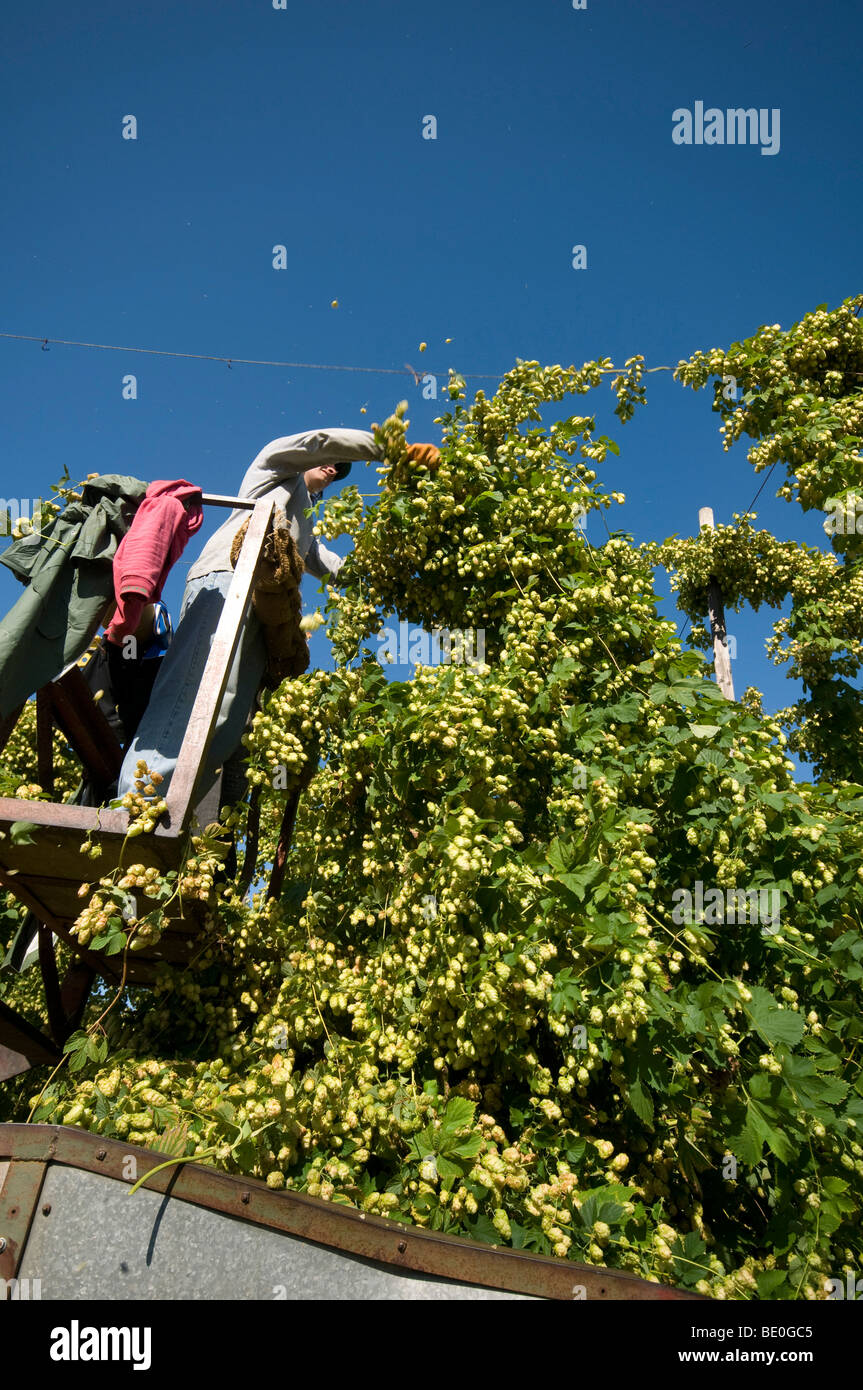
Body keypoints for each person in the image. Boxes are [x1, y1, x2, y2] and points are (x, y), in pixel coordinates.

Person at [116, 427, 439, 803]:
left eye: (342, 468)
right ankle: (136, 802)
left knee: (226, 716)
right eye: (333, 461)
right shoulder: (272, 469)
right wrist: (388, 449)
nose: (334, 468)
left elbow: (331, 564)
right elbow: (318, 441)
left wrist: (392, 571)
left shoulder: (305, 521)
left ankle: (168, 811)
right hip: (228, 580)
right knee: (192, 693)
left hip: (264, 605)